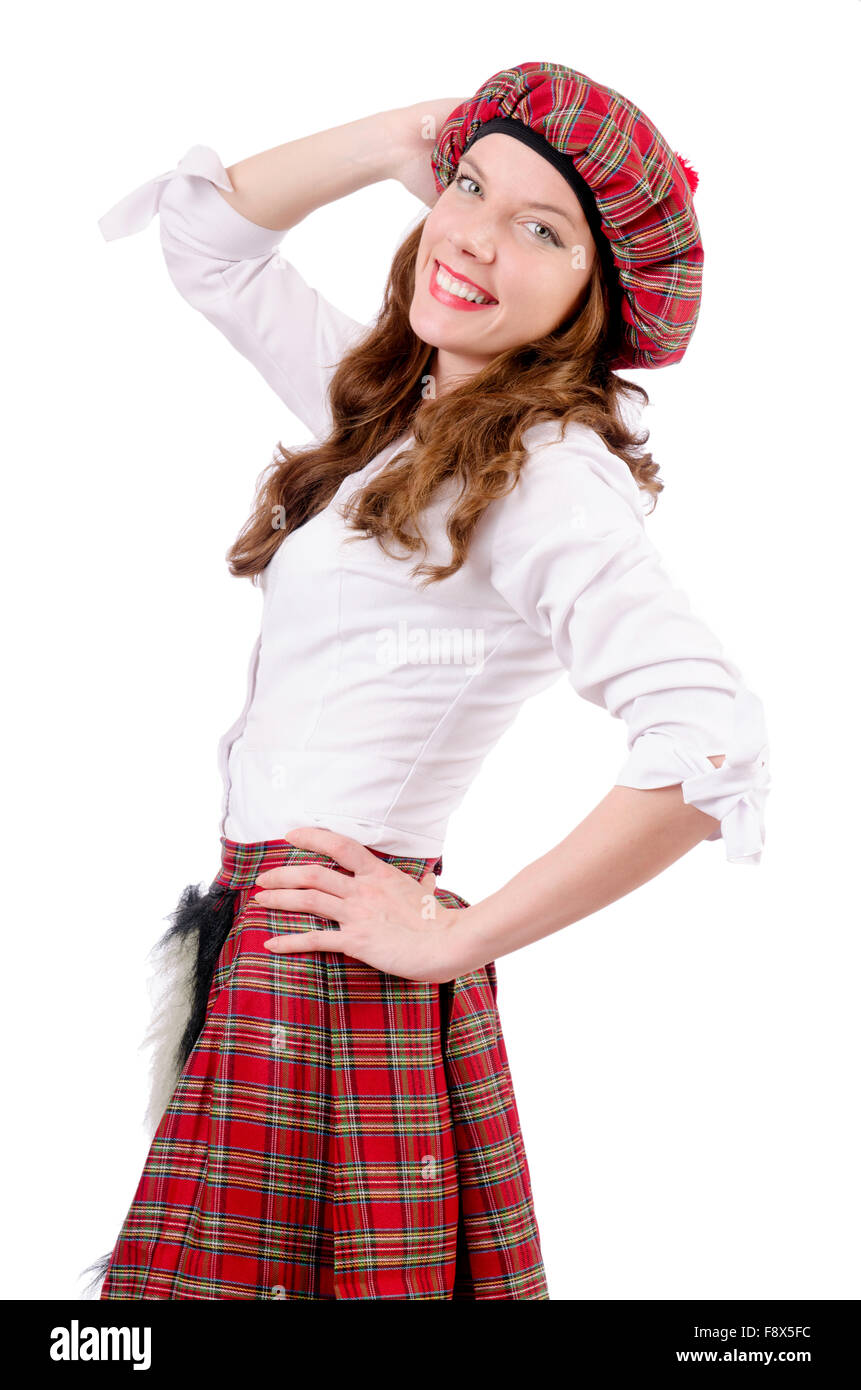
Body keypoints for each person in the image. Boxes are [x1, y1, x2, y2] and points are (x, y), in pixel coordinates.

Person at [82, 61, 771, 1301]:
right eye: (468, 190)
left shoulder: (547, 473)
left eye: (540, 228)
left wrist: (456, 934)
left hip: (340, 975)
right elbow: (209, 244)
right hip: (275, 949)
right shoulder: (403, 410)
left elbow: (710, 745)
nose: (472, 238)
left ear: (595, 298)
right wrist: (411, 139)